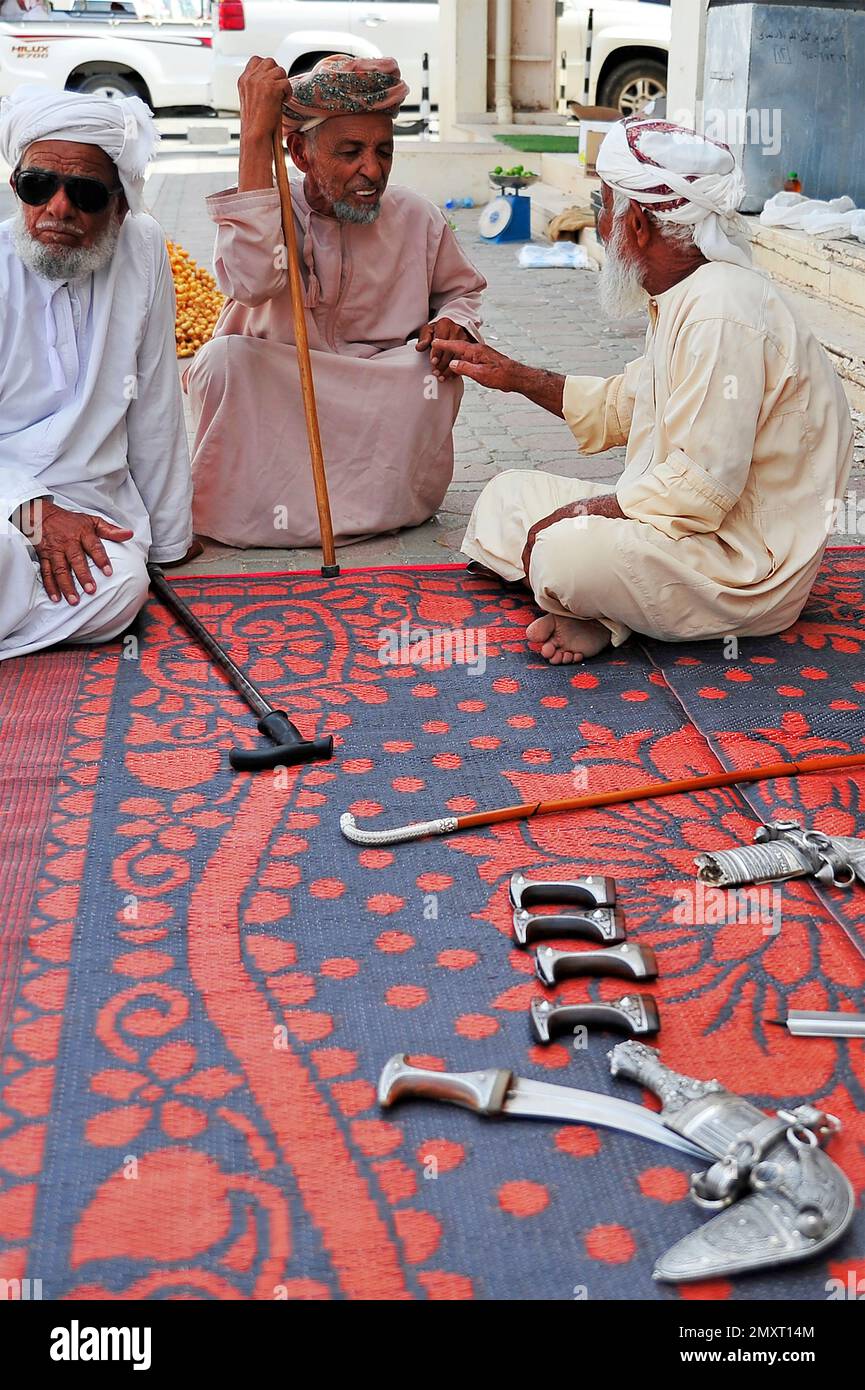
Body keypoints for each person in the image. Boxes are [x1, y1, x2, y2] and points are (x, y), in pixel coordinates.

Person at [436, 118, 854, 664]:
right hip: (678, 534)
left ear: (635, 223)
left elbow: (699, 491)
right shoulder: (684, 294)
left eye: (602, 204)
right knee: (504, 496)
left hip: (741, 565)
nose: (599, 222)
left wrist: (583, 513)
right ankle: (600, 607)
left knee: (566, 551)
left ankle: (596, 606)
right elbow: (623, 405)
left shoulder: (721, 312)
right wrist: (515, 376)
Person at [186, 54, 486, 549]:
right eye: (350, 152)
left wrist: (454, 321)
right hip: (280, 381)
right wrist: (254, 142)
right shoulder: (268, 203)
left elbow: (462, 291)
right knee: (223, 360)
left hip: (376, 383)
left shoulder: (417, 215)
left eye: (383, 151)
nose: (372, 170)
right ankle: (247, 514)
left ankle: (378, 510)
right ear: (300, 154)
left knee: (430, 373)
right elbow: (252, 282)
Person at [0, 85, 193, 660]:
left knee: (121, 590)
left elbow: (155, 401)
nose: (58, 208)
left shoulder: (142, 246)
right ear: (16, 188)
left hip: (91, 502)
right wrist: (28, 507)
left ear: (122, 203)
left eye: (84, 193)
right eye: (38, 186)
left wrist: (171, 539)